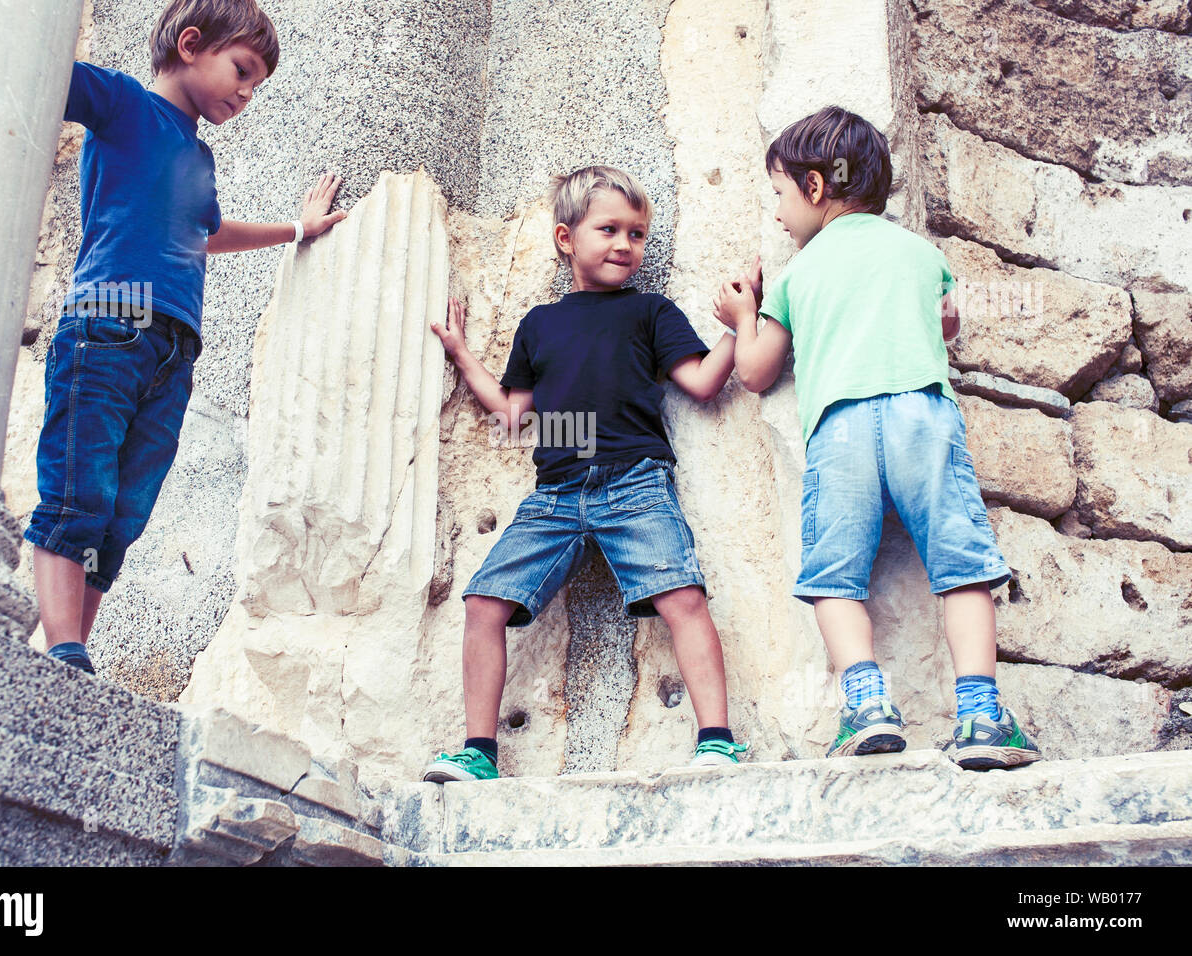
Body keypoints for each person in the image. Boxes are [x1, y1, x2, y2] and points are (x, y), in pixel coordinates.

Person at [715, 106, 1041, 770]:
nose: (776, 213)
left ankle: (867, 705)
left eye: (779, 193)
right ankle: (981, 716)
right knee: (962, 564)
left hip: (840, 431)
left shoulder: (798, 275)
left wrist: (741, 314)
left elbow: (753, 373)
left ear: (813, 188)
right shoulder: (920, 252)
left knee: (835, 576)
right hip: (922, 416)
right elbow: (946, 325)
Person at [27, 0, 346, 676]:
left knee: (122, 511)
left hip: (175, 347)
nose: (247, 93)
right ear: (191, 43)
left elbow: (203, 232)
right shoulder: (121, 104)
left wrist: (297, 230)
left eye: (258, 85)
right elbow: (36, 67)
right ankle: (60, 647)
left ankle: (72, 657)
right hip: (110, 321)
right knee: (79, 490)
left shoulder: (197, 153)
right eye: (242, 70)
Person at [423, 166, 745, 781]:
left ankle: (718, 740)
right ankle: (478, 752)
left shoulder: (652, 312)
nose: (626, 244)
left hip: (635, 483)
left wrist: (737, 324)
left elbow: (703, 383)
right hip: (555, 494)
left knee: (684, 596)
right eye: (609, 229)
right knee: (484, 602)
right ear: (566, 238)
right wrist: (462, 352)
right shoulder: (540, 325)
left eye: (638, 234)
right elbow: (514, 416)